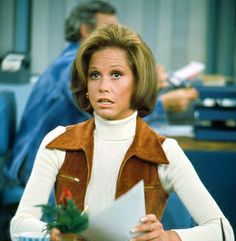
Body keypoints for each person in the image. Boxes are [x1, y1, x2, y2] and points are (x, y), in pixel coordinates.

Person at [10, 24, 234, 241]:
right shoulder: (58, 141)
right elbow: (19, 224)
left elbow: (224, 232)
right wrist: (55, 235)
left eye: (116, 75)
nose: (103, 87)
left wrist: (167, 238)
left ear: (138, 82)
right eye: (95, 75)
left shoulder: (165, 151)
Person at [3, 0, 198, 189]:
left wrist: (147, 84)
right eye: (110, 27)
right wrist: (162, 104)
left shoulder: (71, 61)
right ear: (86, 31)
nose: (116, 34)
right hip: (34, 167)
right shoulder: (72, 66)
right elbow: (108, 113)